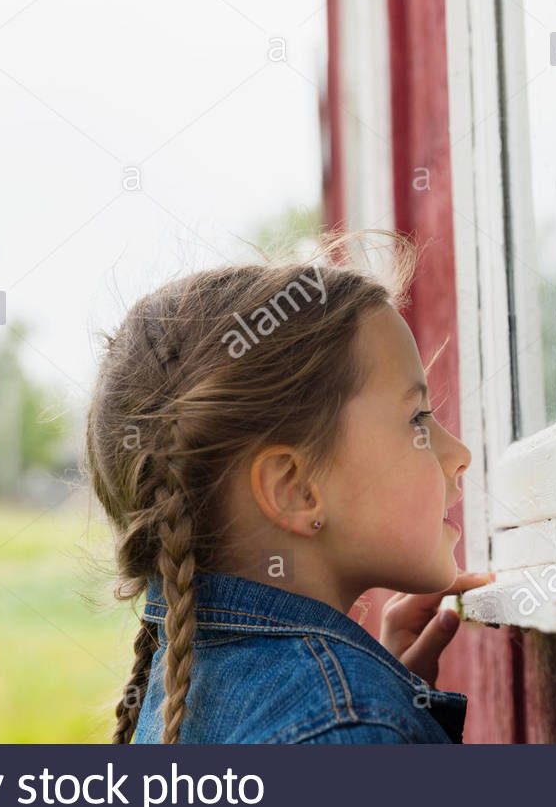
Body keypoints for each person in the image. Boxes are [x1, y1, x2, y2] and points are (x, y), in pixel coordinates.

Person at [86, 228, 493, 743]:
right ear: (295, 488)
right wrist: (365, 721)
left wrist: (387, 694)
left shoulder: (187, 684)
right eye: (417, 419)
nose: (459, 455)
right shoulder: (345, 728)